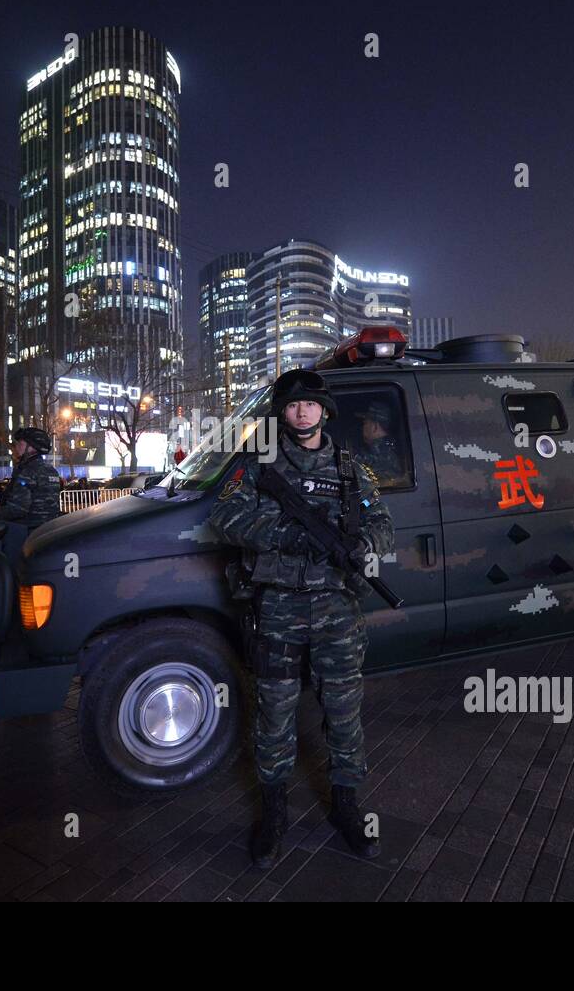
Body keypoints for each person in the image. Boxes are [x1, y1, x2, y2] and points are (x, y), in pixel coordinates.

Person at [208, 368, 394, 868]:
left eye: (311, 404)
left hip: (338, 608)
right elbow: (222, 517)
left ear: (325, 410)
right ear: (283, 413)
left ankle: (348, 807)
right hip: (280, 607)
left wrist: (363, 543)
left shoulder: (351, 469)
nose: (302, 411)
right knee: (274, 713)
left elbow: (382, 525)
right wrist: (281, 533)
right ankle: (273, 814)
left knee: (344, 712)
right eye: (292, 405)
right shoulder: (259, 463)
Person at [0, 426, 62, 530]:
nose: (17, 446)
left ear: (32, 448)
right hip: (48, 529)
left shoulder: (28, 471)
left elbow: (18, 509)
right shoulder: (51, 470)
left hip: (27, 531)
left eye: (21, 443)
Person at [355, 401, 404, 483]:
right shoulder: (390, 447)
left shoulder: (381, 453)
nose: (363, 427)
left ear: (375, 427)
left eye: (365, 423)